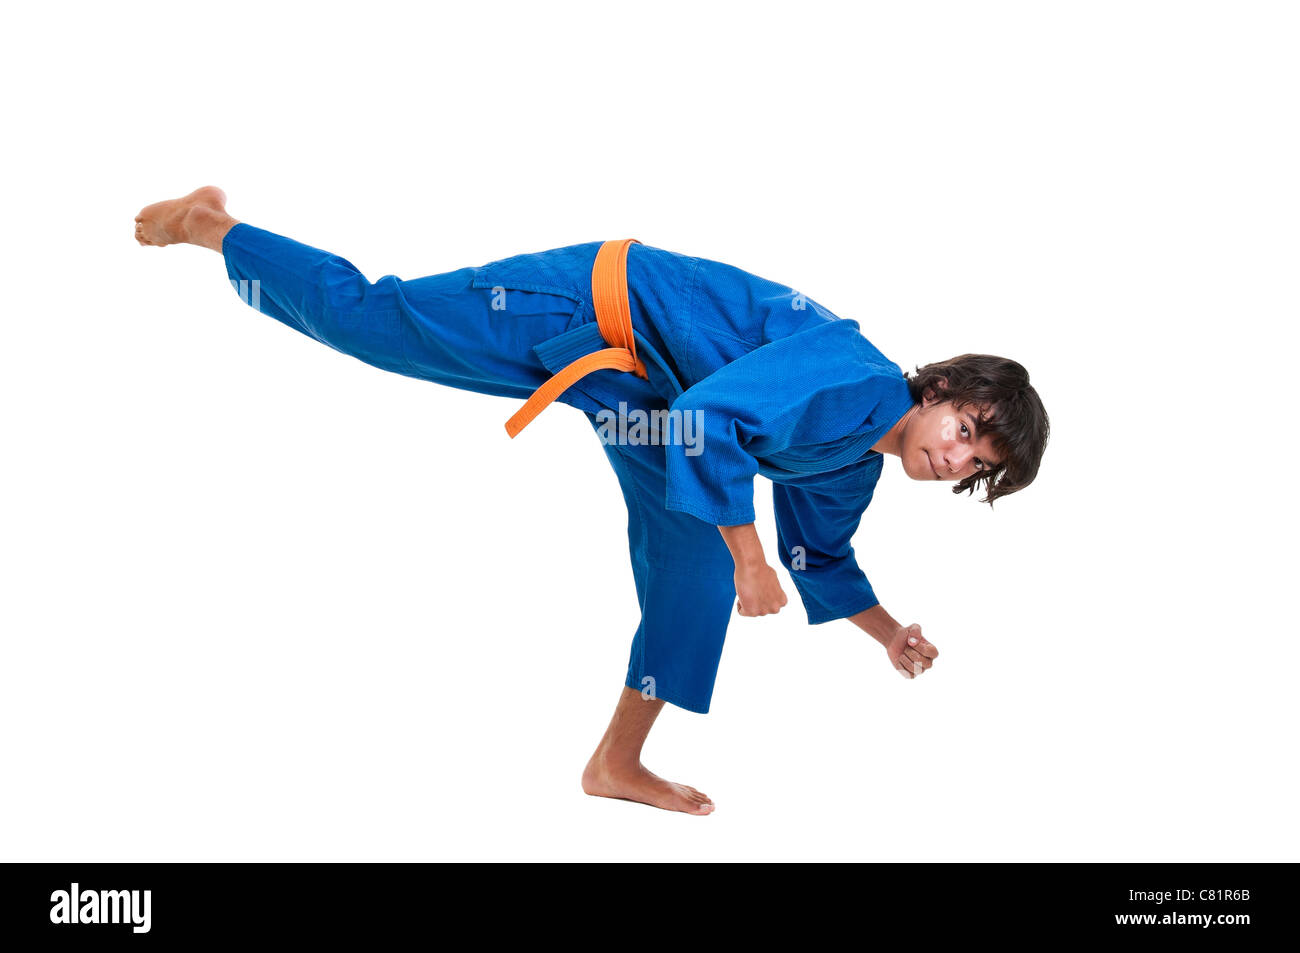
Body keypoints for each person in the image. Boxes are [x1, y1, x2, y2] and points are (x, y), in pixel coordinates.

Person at [135, 186, 1050, 816]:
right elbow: (708, 419)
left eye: (976, 466)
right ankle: (218, 229)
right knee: (381, 322)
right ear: (938, 390)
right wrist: (749, 554)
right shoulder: (853, 377)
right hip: (585, 305)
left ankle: (615, 761)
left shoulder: (854, 463)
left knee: (693, 565)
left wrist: (886, 632)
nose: (957, 458)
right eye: (967, 428)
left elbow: (822, 558)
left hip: (646, 391)